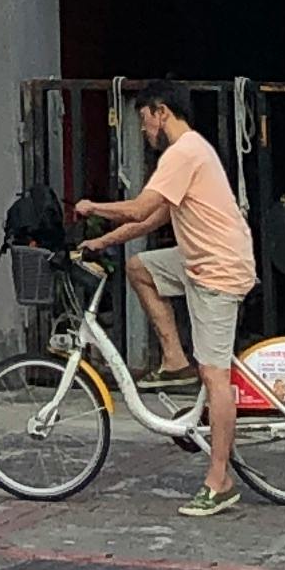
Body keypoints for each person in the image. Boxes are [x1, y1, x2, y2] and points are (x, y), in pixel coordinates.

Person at [71, 80, 258, 516]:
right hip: (196, 259)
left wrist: (93, 207)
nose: (142, 130)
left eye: (143, 120)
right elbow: (149, 219)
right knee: (141, 268)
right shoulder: (187, 155)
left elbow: (138, 208)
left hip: (219, 269)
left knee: (216, 377)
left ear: (160, 112)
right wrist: (102, 245)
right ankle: (174, 360)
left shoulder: (184, 152)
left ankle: (220, 481)